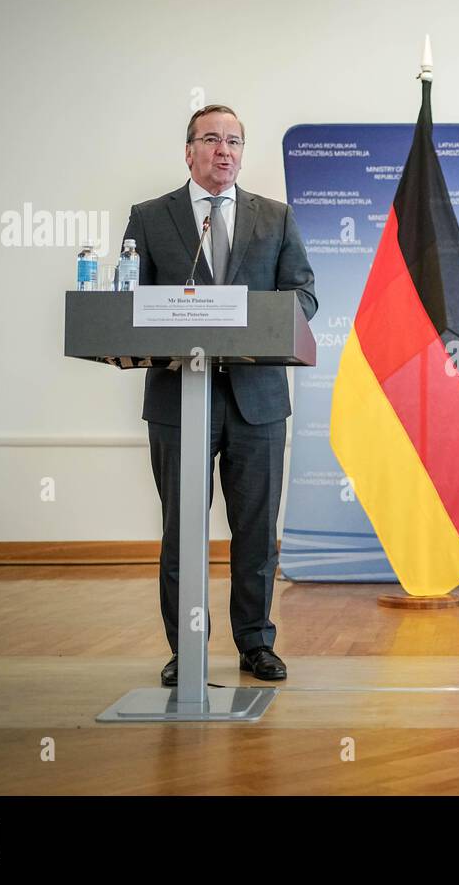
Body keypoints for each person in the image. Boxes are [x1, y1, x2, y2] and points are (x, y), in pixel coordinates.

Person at [122, 104, 317, 686]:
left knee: (255, 533)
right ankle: (186, 649)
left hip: (256, 399)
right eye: (211, 140)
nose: (224, 151)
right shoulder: (151, 217)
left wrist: (258, 323)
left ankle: (256, 644)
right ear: (189, 151)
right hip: (179, 397)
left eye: (234, 141)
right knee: (183, 530)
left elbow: (303, 295)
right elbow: (126, 300)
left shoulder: (275, 217)